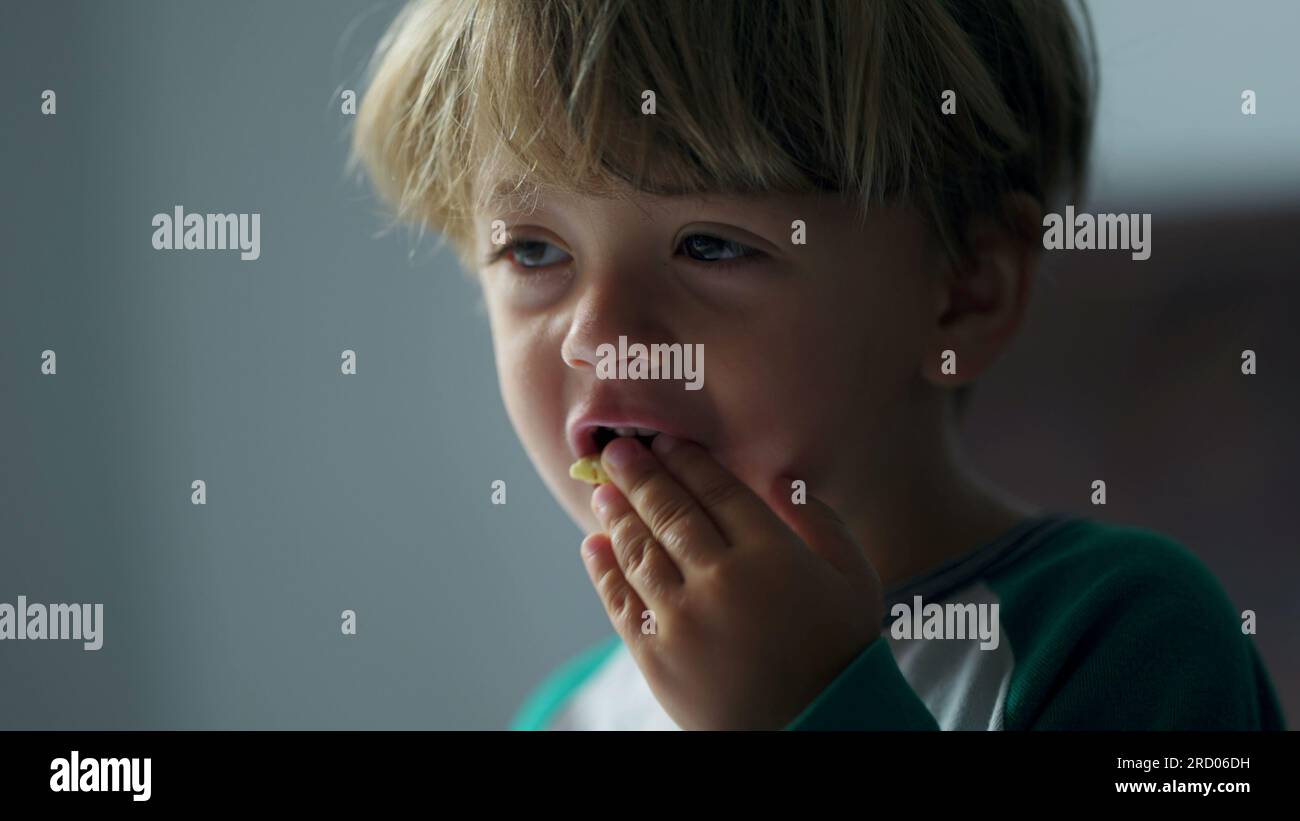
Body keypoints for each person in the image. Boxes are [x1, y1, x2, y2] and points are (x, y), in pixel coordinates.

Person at [349, 0, 1284, 730]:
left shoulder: (1130, 634)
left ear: (963, 293)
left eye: (710, 245)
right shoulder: (563, 715)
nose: (599, 336)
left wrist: (813, 705)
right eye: (535, 253)